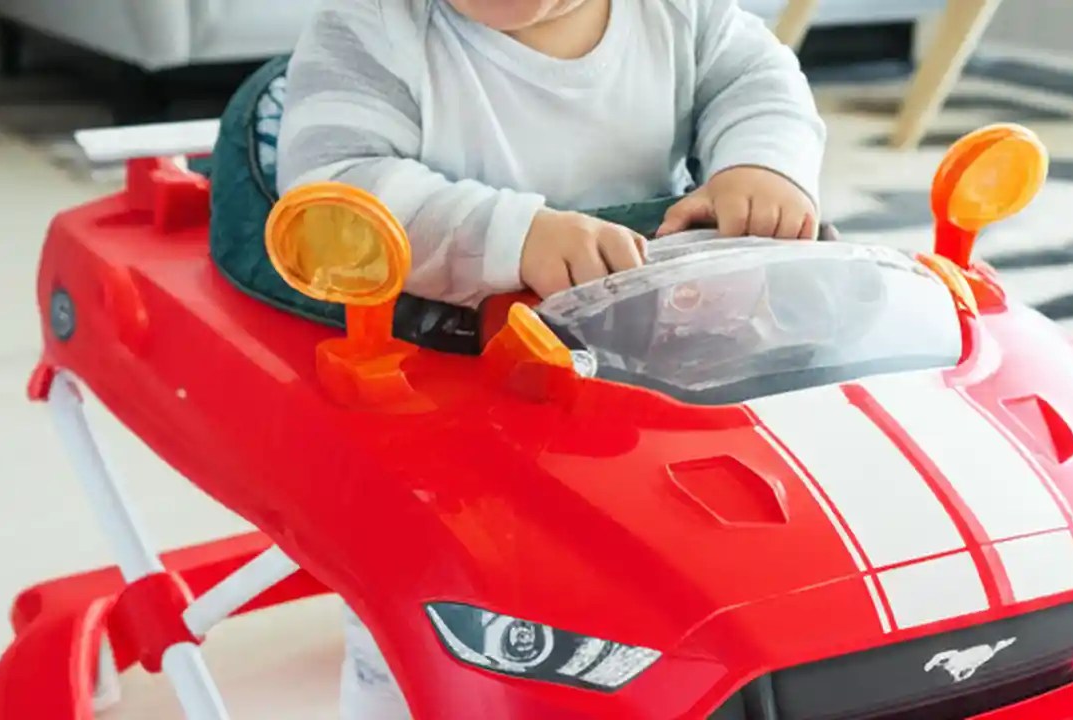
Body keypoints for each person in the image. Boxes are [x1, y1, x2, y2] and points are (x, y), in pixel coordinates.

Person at [276, 0, 826, 716]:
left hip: (652, 350)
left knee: (684, 550)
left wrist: (762, 165)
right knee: (421, 572)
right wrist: (513, 236)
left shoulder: (684, 16)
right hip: (457, 371)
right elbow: (333, 187)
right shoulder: (370, 29)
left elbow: (759, 81)